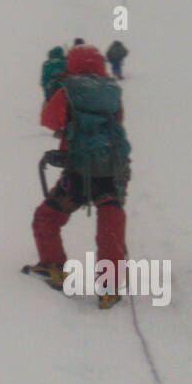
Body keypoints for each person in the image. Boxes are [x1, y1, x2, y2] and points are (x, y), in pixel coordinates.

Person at [27, 44, 132, 309]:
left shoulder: (68, 89)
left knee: (48, 216)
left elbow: (50, 120)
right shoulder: (113, 92)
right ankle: (109, 285)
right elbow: (118, 122)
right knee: (110, 222)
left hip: (78, 172)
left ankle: (54, 267)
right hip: (110, 171)